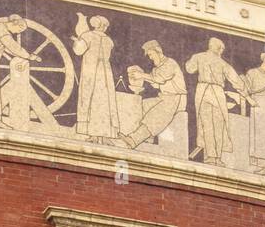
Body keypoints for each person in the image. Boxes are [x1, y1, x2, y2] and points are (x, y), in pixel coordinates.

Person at [185, 36, 250, 165]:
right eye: (221, 49)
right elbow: (238, 82)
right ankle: (216, 158)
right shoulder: (222, 63)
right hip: (216, 91)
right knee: (218, 125)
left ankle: (210, 157)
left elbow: (189, 68)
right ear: (219, 49)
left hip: (203, 89)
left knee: (207, 124)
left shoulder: (199, 57)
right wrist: (246, 89)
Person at [123, 41, 186, 149]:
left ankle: (133, 139)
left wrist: (142, 75)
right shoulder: (156, 68)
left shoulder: (170, 63)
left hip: (176, 98)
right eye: (149, 55)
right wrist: (141, 76)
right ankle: (148, 139)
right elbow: (156, 85)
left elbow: (160, 80)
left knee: (156, 115)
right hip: (163, 97)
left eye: (151, 54)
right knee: (142, 105)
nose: (150, 57)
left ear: (158, 51)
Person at [73, 14, 118, 143]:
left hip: (91, 71)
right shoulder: (109, 40)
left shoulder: (88, 35)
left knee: (89, 99)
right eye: (105, 26)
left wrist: (77, 41)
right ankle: (104, 135)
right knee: (105, 102)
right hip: (105, 74)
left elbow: (78, 51)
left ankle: (92, 134)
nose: (105, 28)